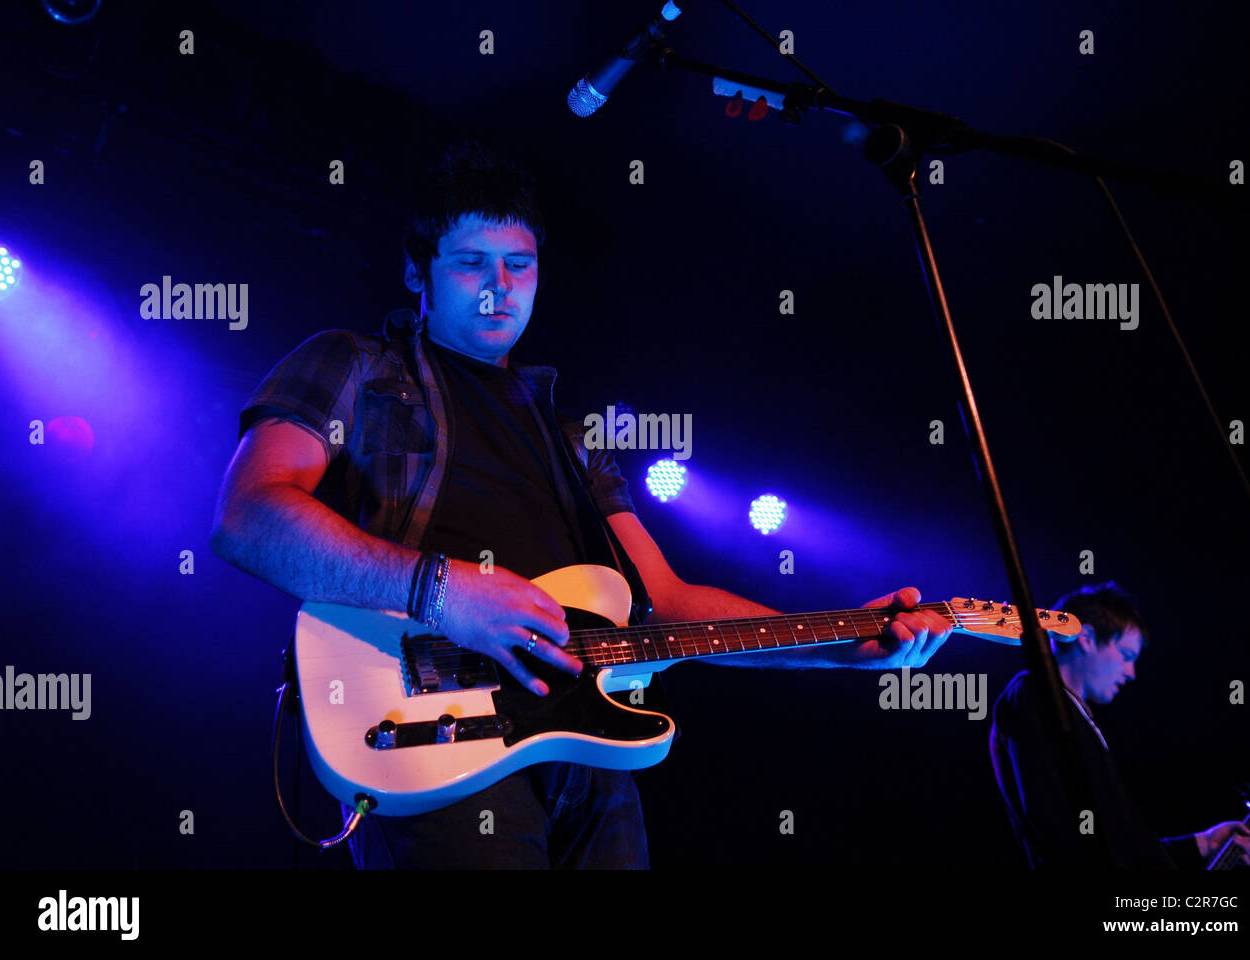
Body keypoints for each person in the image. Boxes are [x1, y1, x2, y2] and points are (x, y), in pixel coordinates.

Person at [210, 140, 954, 869]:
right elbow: (249, 518)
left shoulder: (571, 440)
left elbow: (666, 602)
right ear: (417, 272)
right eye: (470, 263)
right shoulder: (354, 365)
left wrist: (842, 645)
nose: (499, 285)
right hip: (429, 732)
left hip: (589, 752)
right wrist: (442, 591)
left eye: (519, 264)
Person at [989, 581, 1250, 869]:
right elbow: (1063, 833)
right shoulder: (1032, 694)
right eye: (1127, 656)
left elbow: (1116, 840)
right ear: (1087, 638)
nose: (1131, 674)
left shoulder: (1077, 713)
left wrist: (1200, 844)